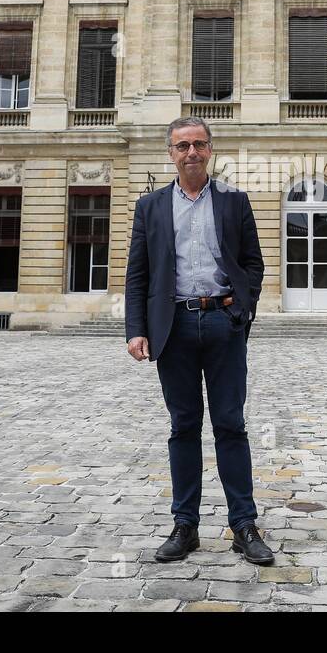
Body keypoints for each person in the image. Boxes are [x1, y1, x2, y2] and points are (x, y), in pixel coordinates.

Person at [124, 116, 272, 565]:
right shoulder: (149, 207)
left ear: (211, 150)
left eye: (199, 145)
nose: (191, 153)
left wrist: (240, 314)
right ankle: (184, 525)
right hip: (175, 327)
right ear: (170, 153)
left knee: (231, 424)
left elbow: (253, 264)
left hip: (222, 323)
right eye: (182, 146)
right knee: (183, 427)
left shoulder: (234, 201)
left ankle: (243, 525)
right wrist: (136, 328)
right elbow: (138, 275)